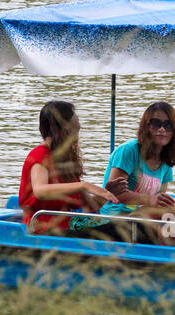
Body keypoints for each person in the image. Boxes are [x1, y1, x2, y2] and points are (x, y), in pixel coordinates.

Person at [96, 102, 175, 245]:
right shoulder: (129, 150)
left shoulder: (166, 160)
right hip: (116, 217)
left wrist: (155, 202)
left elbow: (160, 197)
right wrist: (150, 201)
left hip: (142, 216)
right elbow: (113, 194)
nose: (162, 129)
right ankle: (168, 257)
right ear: (146, 127)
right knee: (170, 206)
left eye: (168, 125)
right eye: (156, 123)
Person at [19, 100, 116, 235]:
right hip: (44, 231)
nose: (79, 126)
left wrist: (108, 194)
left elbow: (88, 206)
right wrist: (83, 185)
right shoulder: (40, 154)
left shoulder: (64, 161)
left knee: (122, 226)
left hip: (67, 228)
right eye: (75, 122)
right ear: (64, 127)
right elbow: (40, 190)